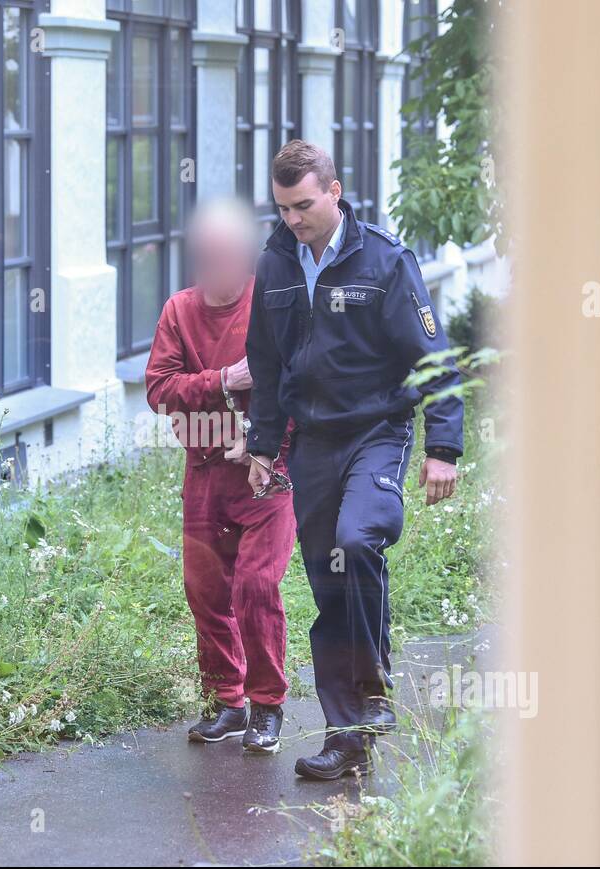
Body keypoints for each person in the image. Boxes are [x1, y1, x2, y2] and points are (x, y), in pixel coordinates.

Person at [244, 140, 464, 780]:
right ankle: (349, 736)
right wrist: (261, 445)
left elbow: (434, 357)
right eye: (283, 208)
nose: (293, 219)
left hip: (376, 431)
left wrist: (443, 448)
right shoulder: (277, 263)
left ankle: (372, 689)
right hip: (311, 441)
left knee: (358, 537)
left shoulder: (384, 262)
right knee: (329, 586)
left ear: (335, 193)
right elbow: (265, 361)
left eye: (304, 205)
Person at [145, 196, 297, 754]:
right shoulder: (179, 312)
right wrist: (221, 379)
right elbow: (160, 389)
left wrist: (264, 444)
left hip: (268, 472)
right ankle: (228, 702)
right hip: (204, 471)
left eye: (228, 252)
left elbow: (299, 386)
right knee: (204, 590)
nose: (219, 263)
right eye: (208, 253)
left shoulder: (273, 304)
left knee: (256, 585)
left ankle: (267, 706)